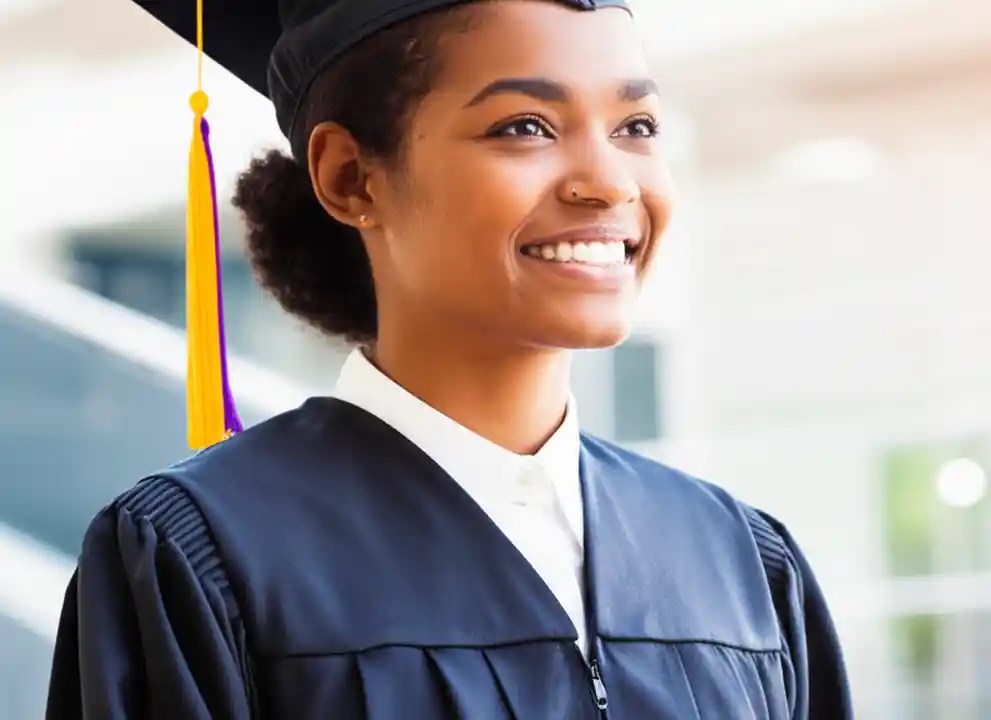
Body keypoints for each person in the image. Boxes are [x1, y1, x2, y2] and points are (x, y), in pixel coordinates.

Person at [44, 0, 854, 717]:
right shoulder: (203, 557)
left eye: (635, 127)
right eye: (525, 126)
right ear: (351, 178)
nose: (609, 183)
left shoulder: (742, 562)